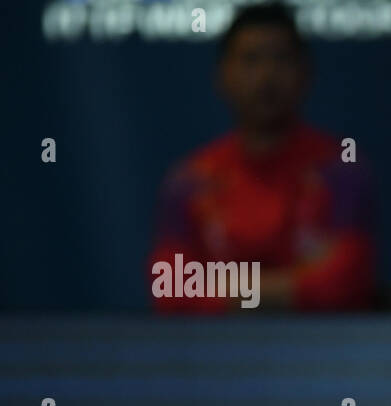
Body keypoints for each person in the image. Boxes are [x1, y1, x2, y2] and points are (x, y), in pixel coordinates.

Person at [150, 2, 377, 313]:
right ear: (222, 75)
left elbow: (345, 281)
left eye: (281, 59)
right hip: (216, 355)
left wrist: (223, 289)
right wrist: (293, 284)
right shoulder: (191, 179)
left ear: (305, 72)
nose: (266, 76)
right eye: (250, 60)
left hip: (322, 353)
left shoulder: (341, 168)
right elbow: (170, 289)